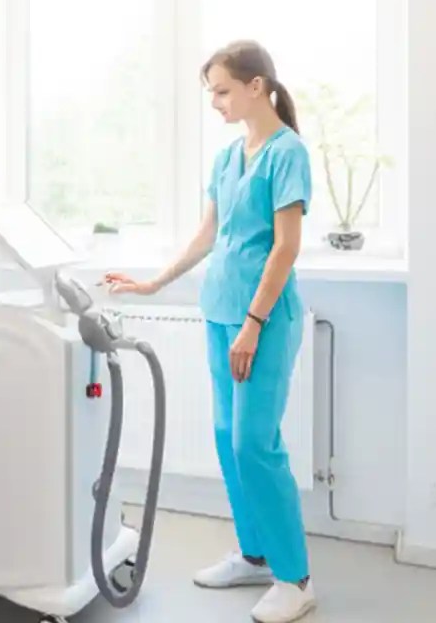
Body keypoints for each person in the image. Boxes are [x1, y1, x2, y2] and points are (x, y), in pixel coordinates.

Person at [104, 40, 316, 623]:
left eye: (223, 90)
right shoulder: (228, 157)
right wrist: (153, 284)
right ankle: (254, 554)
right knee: (227, 438)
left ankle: (295, 578)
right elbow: (207, 236)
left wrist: (253, 324)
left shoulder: (286, 152)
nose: (216, 102)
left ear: (256, 87)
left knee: (256, 443)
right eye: (212, 92)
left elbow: (286, 247)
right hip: (220, 312)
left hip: (262, 321)